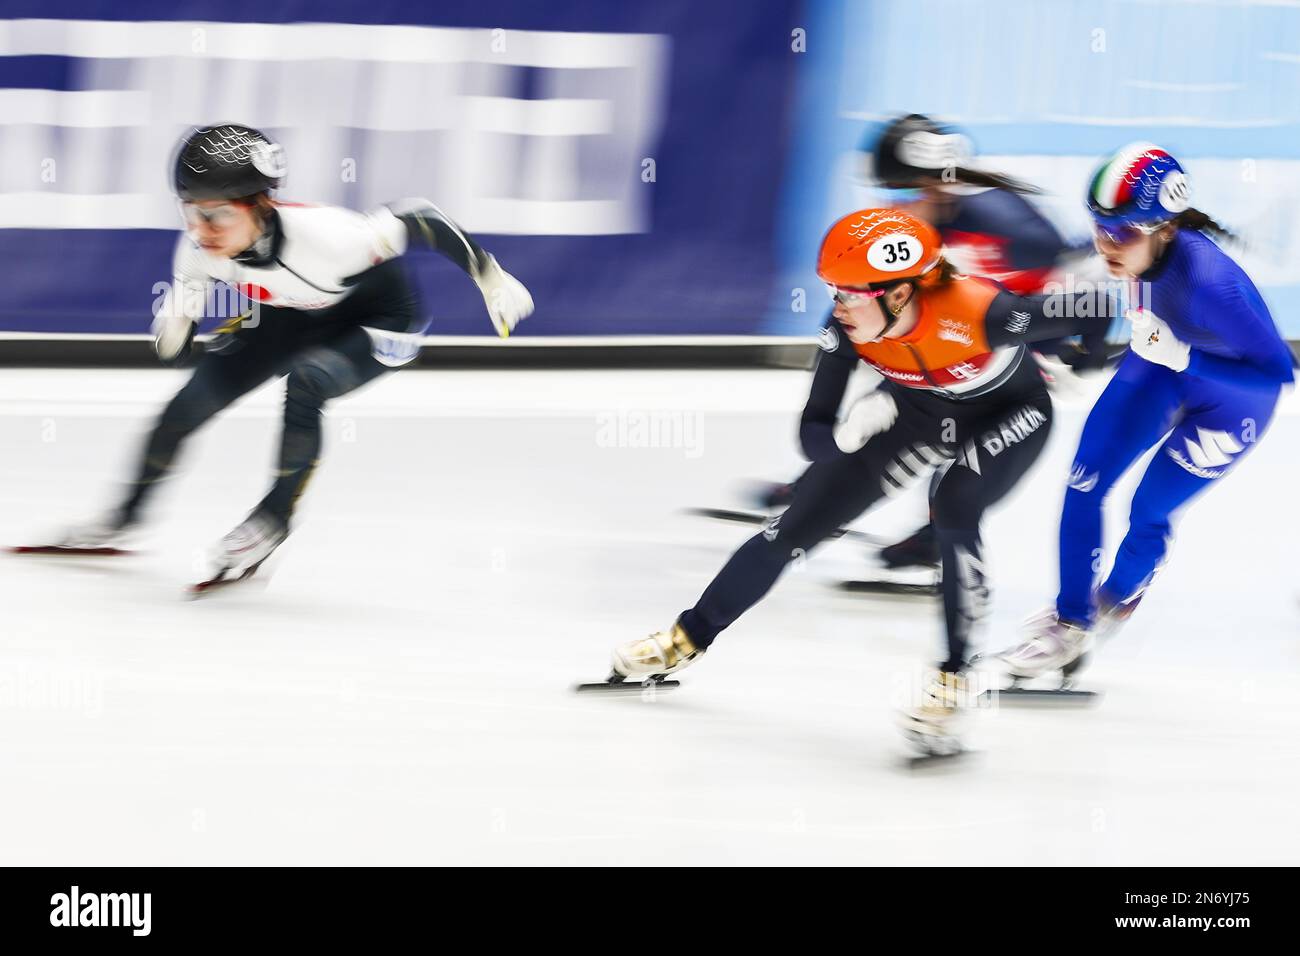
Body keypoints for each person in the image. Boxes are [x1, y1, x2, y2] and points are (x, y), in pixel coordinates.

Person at [609, 208, 1116, 753]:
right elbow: (811, 436)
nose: (837, 306)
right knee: (793, 525)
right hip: (916, 414)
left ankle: (953, 678)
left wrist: (1075, 359)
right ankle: (688, 636)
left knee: (954, 503)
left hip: (1010, 416)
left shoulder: (984, 312)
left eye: (850, 293)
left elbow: (1095, 308)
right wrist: (847, 436)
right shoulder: (843, 331)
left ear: (899, 293)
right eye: (832, 290)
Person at [28, 124, 533, 584]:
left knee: (308, 382)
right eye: (192, 213)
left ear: (262, 206)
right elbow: (178, 345)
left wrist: (487, 274)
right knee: (188, 403)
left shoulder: (335, 241)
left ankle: (271, 521)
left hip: (380, 318)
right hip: (289, 309)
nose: (203, 231)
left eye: (218, 215)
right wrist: (178, 327)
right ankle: (122, 519)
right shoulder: (199, 252)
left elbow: (419, 217)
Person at [760, 113, 1114, 577]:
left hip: (1019, 342)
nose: (891, 207)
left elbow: (1083, 296)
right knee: (895, 401)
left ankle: (935, 535)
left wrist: (1076, 358)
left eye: (903, 194)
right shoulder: (915, 236)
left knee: (952, 439)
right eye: (884, 193)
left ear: (939, 188)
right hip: (975, 336)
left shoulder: (1008, 229)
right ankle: (818, 488)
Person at [997, 142, 1295, 677]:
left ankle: (1119, 595)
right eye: (1100, 228)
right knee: (1084, 484)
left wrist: (1187, 357)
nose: (1106, 244)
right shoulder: (1130, 244)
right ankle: (1070, 623)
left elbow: (1279, 372)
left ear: (1164, 229)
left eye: (1122, 233)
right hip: (1160, 366)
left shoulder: (1211, 285)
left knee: (1148, 510)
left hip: (1233, 403)